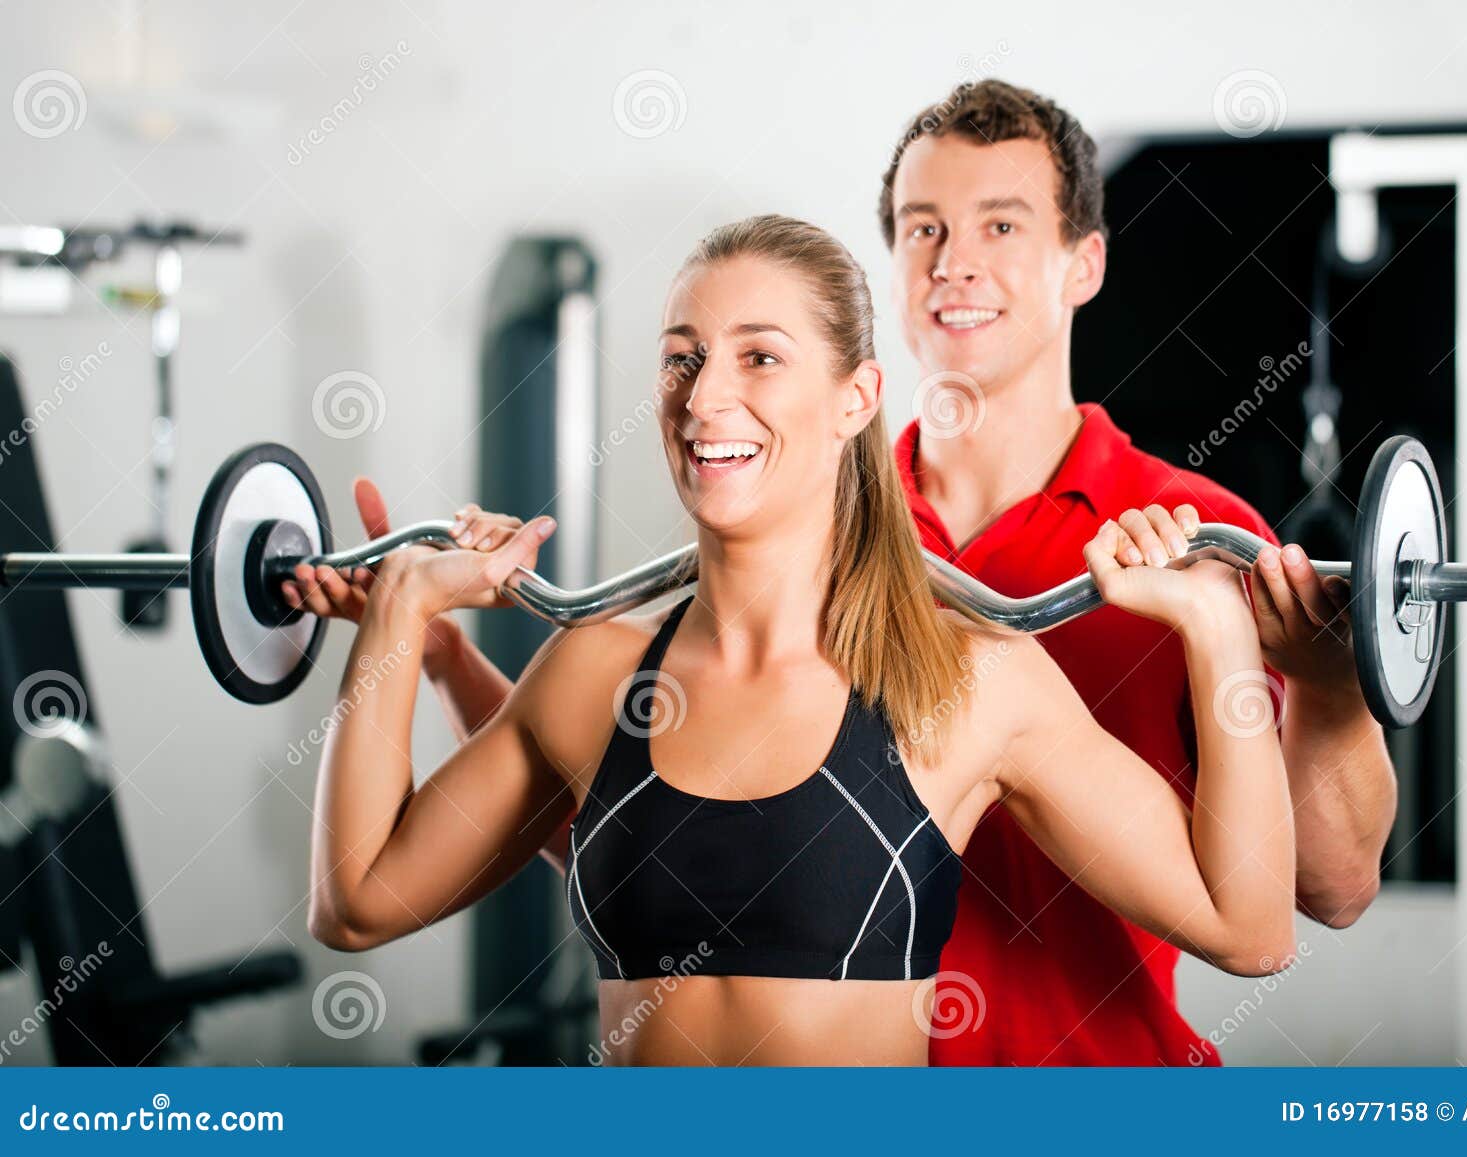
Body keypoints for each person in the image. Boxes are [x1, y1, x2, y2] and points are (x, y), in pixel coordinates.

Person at [294, 215, 1296, 1066]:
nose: (702, 397)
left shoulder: (971, 682)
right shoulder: (593, 671)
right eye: (681, 356)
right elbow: (358, 901)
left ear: (854, 399)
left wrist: (1213, 621)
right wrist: (400, 619)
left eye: (758, 356)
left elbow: (1247, 929)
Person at [876, 79, 1395, 1066]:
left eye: (1000, 226)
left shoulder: (1205, 539)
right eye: (922, 229)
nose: (954, 263)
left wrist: (1329, 695)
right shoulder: (825, 537)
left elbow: (1333, 888)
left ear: (1083, 264)